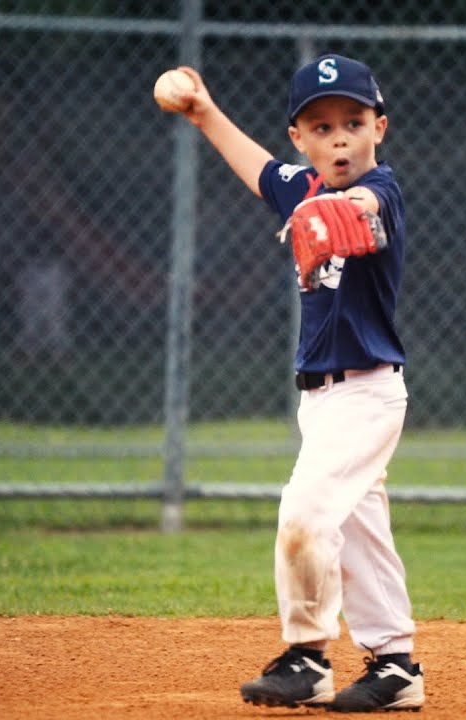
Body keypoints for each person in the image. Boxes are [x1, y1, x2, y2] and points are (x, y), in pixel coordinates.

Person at [165, 54, 424, 712]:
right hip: (322, 398)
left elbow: (365, 211)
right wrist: (202, 111)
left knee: (305, 516)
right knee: (359, 534)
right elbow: (254, 165)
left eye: (353, 122)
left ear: (379, 128)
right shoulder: (302, 187)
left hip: (366, 392)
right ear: (300, 140)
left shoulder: (382, 189)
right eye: (321, 125)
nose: (339, 137)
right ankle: (395, 668)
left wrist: (336, 218)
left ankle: (307, 657)